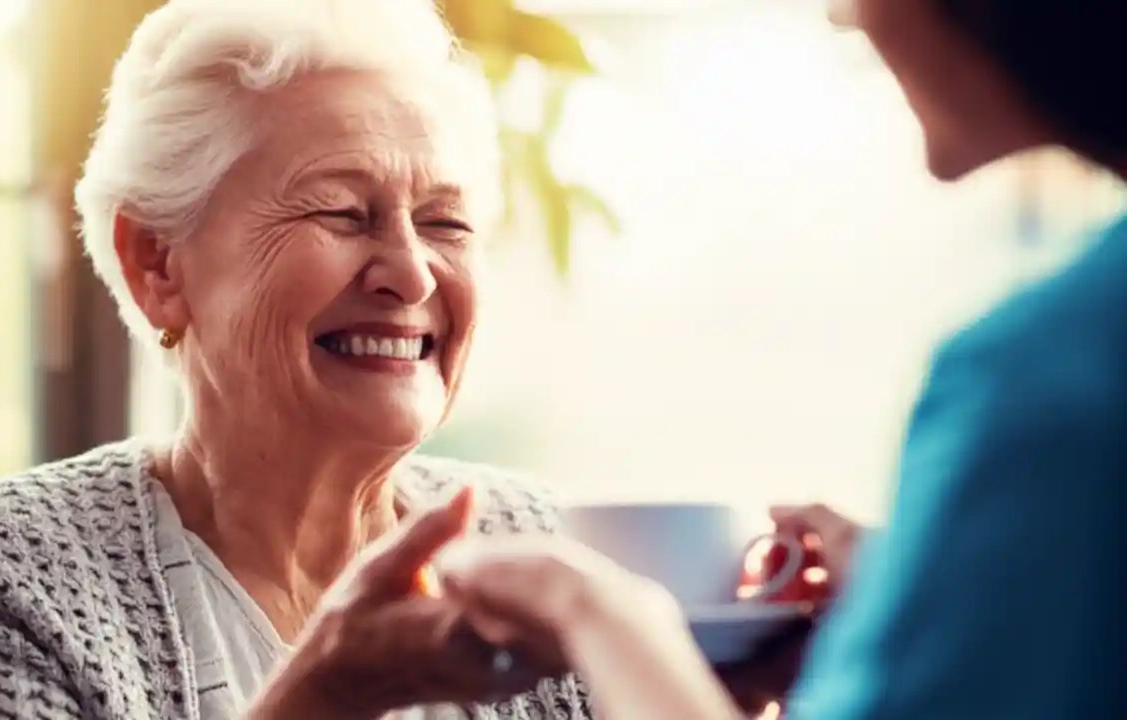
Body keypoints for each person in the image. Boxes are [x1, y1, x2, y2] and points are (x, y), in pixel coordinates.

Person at [0, 1, 588, 717]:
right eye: (339, 211)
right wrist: (324, 699)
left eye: (444, 223)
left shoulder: (554, 548)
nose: (413, 273)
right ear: (158, 264)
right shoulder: (3, 571)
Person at [422, 0, 1127, 717]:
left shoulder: (1047, 376)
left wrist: (590, 610)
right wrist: (920, 608)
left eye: (443, 222)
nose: (840, 15)